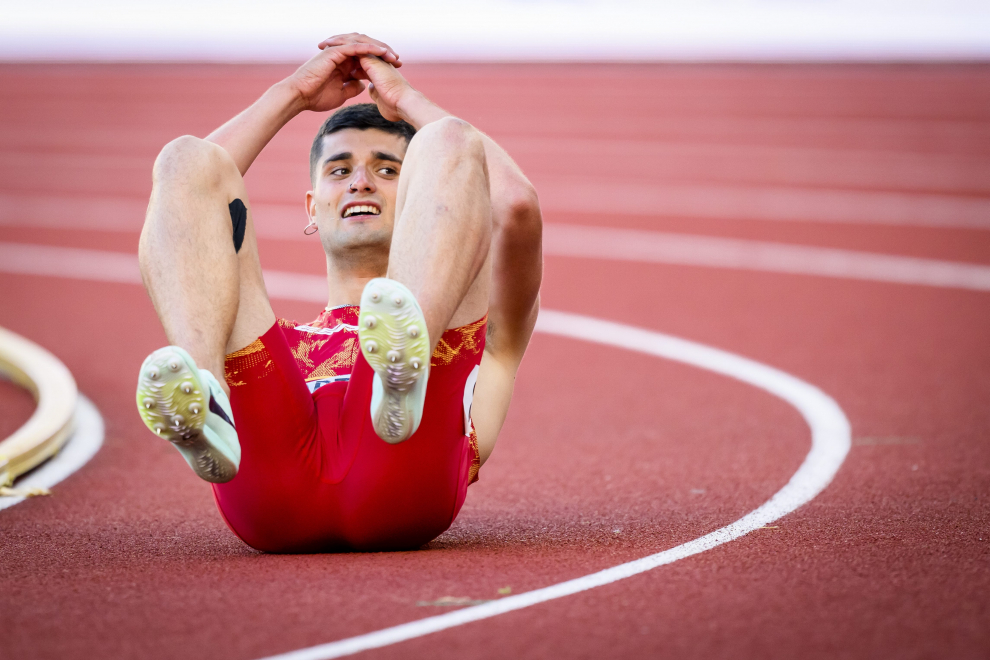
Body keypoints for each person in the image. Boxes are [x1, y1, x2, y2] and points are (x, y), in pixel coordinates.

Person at [134, 34, 542, 552]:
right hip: (268, 477)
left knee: (449, 138)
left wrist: (403, 99)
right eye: (340, 169)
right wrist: (294, 93)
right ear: (312, 207)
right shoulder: (280, 340)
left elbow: (516, 205)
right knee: (183, 159)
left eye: (388, 170)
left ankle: (405, 365)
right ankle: (206, 395)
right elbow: (180, 201)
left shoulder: (485, 336)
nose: (361, 183)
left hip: (404, 477)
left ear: (421, 192)